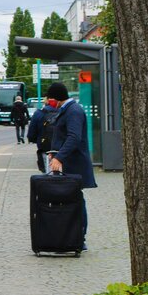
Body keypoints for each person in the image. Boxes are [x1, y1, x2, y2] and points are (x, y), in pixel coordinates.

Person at [46, 81, 97, 245]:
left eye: (50, 98)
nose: (48, 102)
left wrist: (59, 157)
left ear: (57, 98)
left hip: (74, 164)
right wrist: (54, 153)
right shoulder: (68, 109)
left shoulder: (73, 111)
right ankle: (72, 236)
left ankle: (79, 238)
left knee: (75, 200)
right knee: (72, 199)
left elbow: (73, 137)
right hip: (69, 163)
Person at [26, 98, 55, 173]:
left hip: (44, 147)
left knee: (46, 171)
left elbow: (31, 133)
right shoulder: (63, 112)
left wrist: (33, 139)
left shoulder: (38, 113)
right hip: (60, 149)